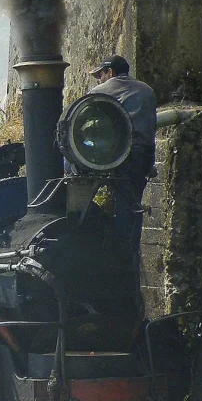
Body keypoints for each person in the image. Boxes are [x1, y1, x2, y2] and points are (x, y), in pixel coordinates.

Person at [87, 55, 157, 254]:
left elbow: (87, 124)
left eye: (101, 74)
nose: (100, 79)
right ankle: (129, 252)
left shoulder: (100, 91)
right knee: (131, 207)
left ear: (110, 72)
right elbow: (151, 128)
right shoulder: (148, 91)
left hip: (115, 158)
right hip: (142, 158)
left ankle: (114, 251)